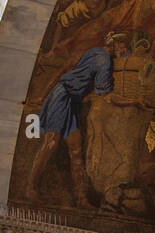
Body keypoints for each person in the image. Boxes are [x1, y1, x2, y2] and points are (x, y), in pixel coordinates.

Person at [26, 32, 139, 206]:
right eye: (123, 45)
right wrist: (134, 102)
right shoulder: (105, 61)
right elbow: (106, 96)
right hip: (63, 96)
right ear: (114, 44)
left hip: (71, 101)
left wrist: (43, 95)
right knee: (51, 142)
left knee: (76, 150)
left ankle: (81, 198)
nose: (124, 50)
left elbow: (67, 68)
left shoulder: (93, 51)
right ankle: (31, 188)